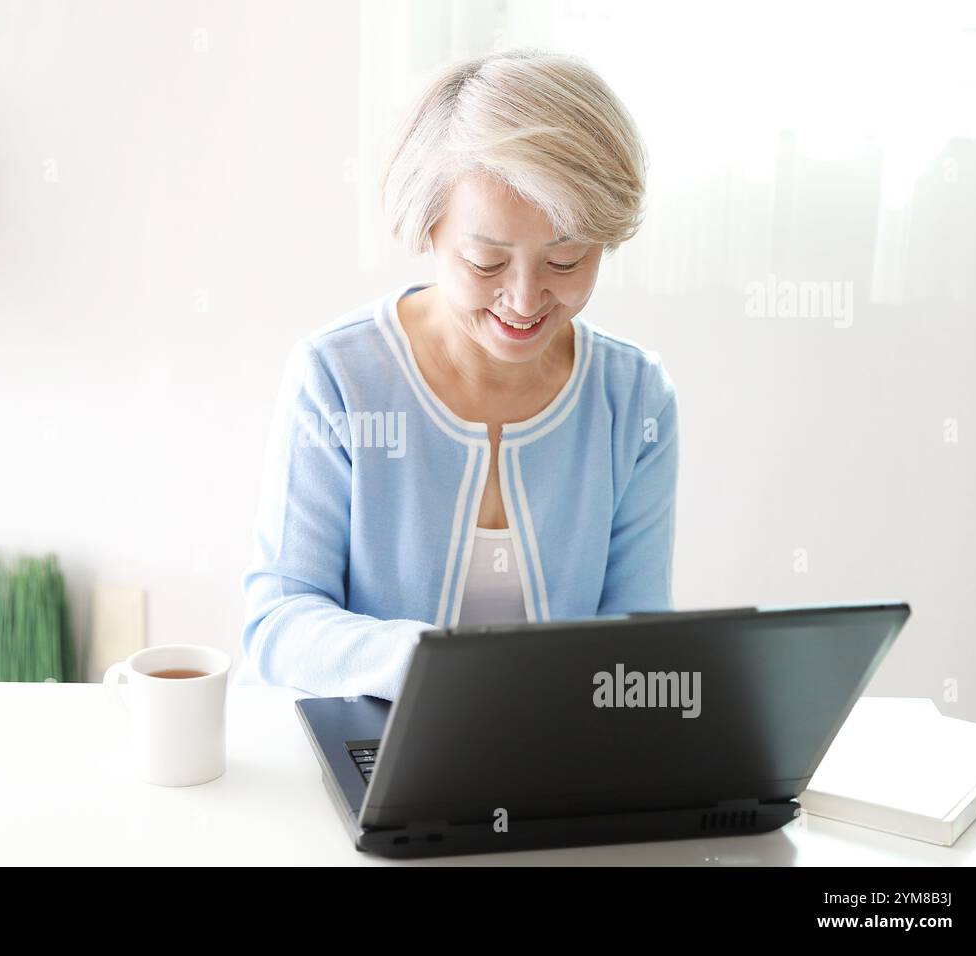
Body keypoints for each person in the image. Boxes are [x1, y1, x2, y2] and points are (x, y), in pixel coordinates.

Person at [241, 49, 677, 700]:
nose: (526, 299)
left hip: (560, 770)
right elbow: (279, 622)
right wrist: (432, 663)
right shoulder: (337, 378)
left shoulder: (634, 397)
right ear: (431, 228)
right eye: (485, 261)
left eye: (566, 261)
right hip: (374, 755)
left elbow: (635, 636)